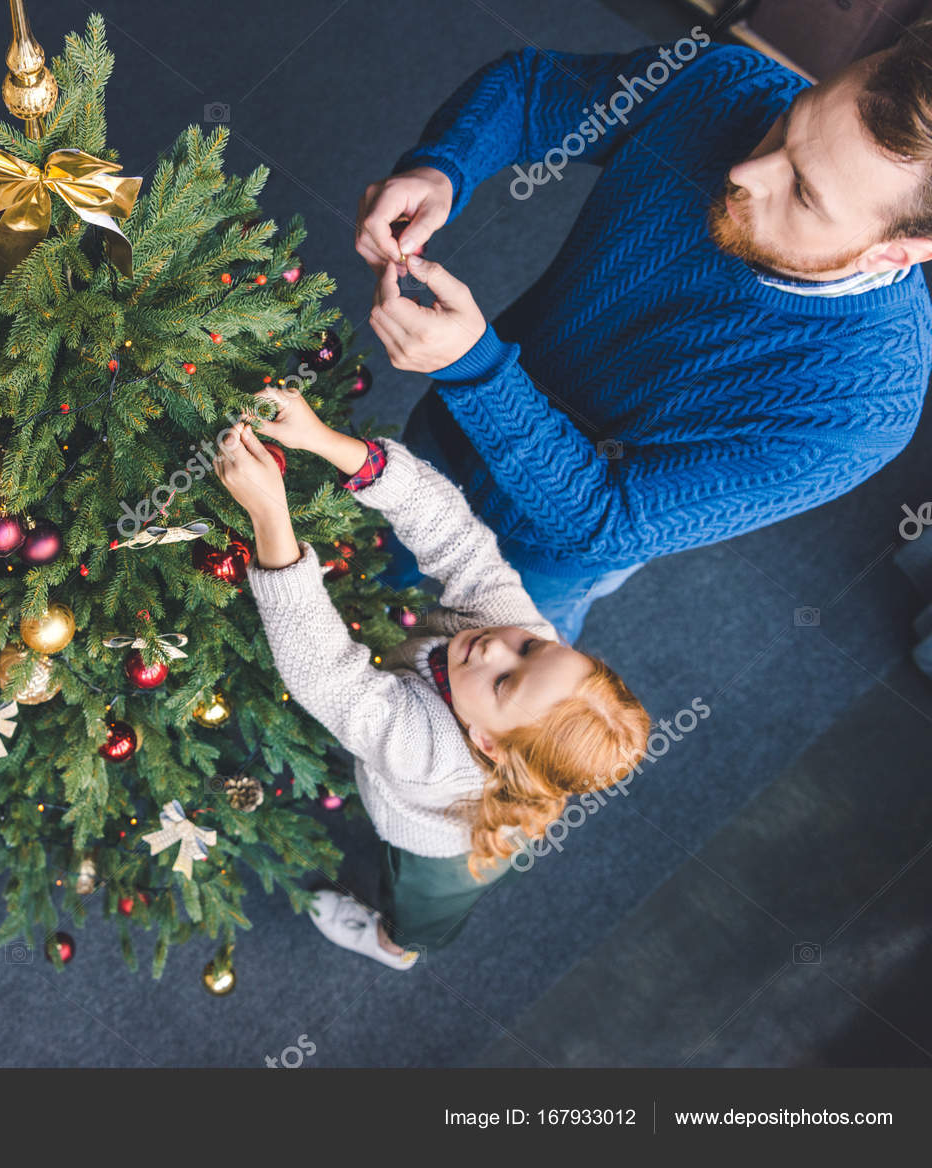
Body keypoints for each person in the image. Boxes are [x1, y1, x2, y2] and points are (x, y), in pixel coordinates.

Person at [355, 24, 932, 642]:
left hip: (533, 561)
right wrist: (443, 168)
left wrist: (478, 369)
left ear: (894, 254)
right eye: (791, 121)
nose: (747, 171)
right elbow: (531, 92)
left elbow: (605, 520)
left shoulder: (864, 409)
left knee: (446, 703)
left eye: (806, 196)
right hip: (442, 440)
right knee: (348, 573)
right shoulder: (733, 85)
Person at [213, 391, 650, 966]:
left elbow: (324, 672)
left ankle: (394, 948)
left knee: (421, 915)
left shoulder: (432, 753)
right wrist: (324, 440)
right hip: (511, 785)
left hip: (439, 850)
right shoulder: (516, 635)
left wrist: (270, 515)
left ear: (487, 742)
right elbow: (456, 537)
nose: (499, 644)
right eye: (533, 646)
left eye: (503, 682)